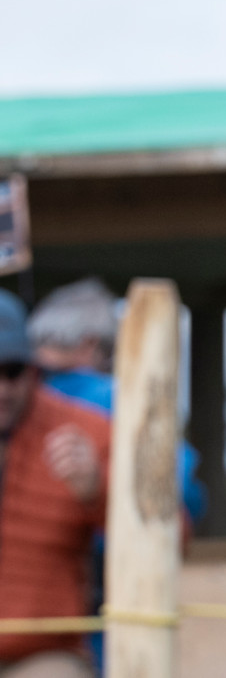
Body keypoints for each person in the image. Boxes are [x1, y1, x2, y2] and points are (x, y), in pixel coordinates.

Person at [28, 277, 206, 524]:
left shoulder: (19, 396)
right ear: (90, 344)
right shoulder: (117, 397)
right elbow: (180, 490)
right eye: (109, 351)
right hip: (106, 549)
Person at [0, 289, 111, 678]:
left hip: (44, 655)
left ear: (34, 369)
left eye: (12, 371)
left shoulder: (88, 430)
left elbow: (175, 531)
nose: (2, 390)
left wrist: (98, 491)